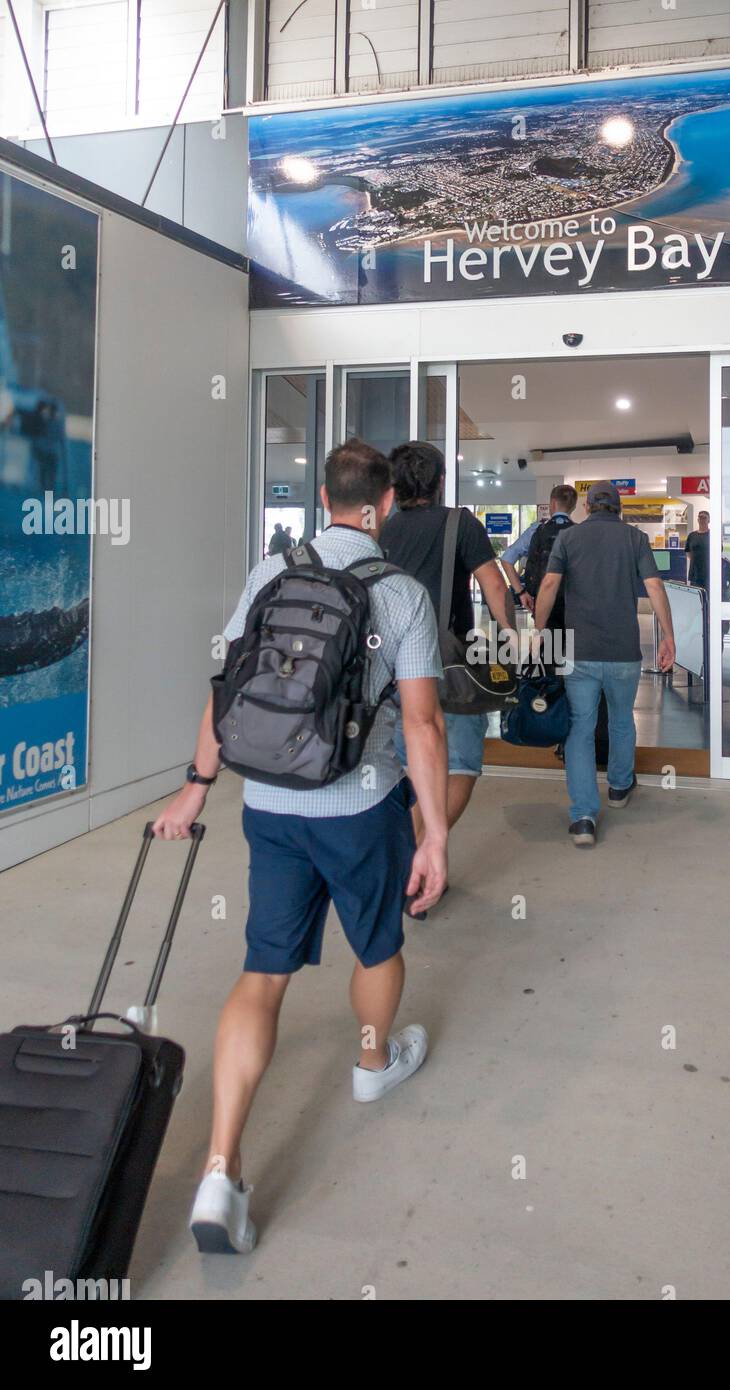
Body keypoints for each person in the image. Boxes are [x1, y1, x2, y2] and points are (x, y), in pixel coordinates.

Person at [152, 438, 448, 1254]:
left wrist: (195, 784)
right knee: (377, 940)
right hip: (359, 802)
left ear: (324, 498)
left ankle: (219, 1167)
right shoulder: (401, 595)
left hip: (269, 803)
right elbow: (421, 724)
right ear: (384, 505)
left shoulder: (267, 575)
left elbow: (226, 687)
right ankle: (370, 1060)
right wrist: (437, 834)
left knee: (262, 973)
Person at [381, 440, 517, 843]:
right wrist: (511, 637)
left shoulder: (383, 528)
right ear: (440, 481)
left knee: (408, 762)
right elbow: (493, 582)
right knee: (459, 765)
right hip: (449, 665)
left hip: (390, 666)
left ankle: (410, 857)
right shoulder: (460, 523)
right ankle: (422, 853)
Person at [533, 481, 676, 848]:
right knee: (620, 718)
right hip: (624, 652)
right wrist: (668, 636)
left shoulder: (569, 539)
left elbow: (549, 585)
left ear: (588, 508)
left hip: (578, 652)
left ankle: (583, 817)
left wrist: (537, 630)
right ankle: (618, 787)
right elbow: (656, 588)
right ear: (618, 508)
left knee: (580, 727)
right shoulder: (635, 539)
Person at [499, 484, 579, 634]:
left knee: (548, 652)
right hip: (573, 606)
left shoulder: (536, 530)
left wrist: (521, 593)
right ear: (573, 507)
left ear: (552, 504)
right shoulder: (580, 533)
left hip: (541, 605)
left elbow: (506, 559)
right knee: (571, 651)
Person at [685, 510, 710, 589]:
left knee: (709, 597)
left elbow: (719, 551)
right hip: (695, 573)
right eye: (700, 517)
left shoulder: (713, 535)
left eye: (704, 518)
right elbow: (688, 552)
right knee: (696, 597)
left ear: (709, 520)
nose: (702, 520)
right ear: (697, 520)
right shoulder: (692, 535)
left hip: (709, 573)